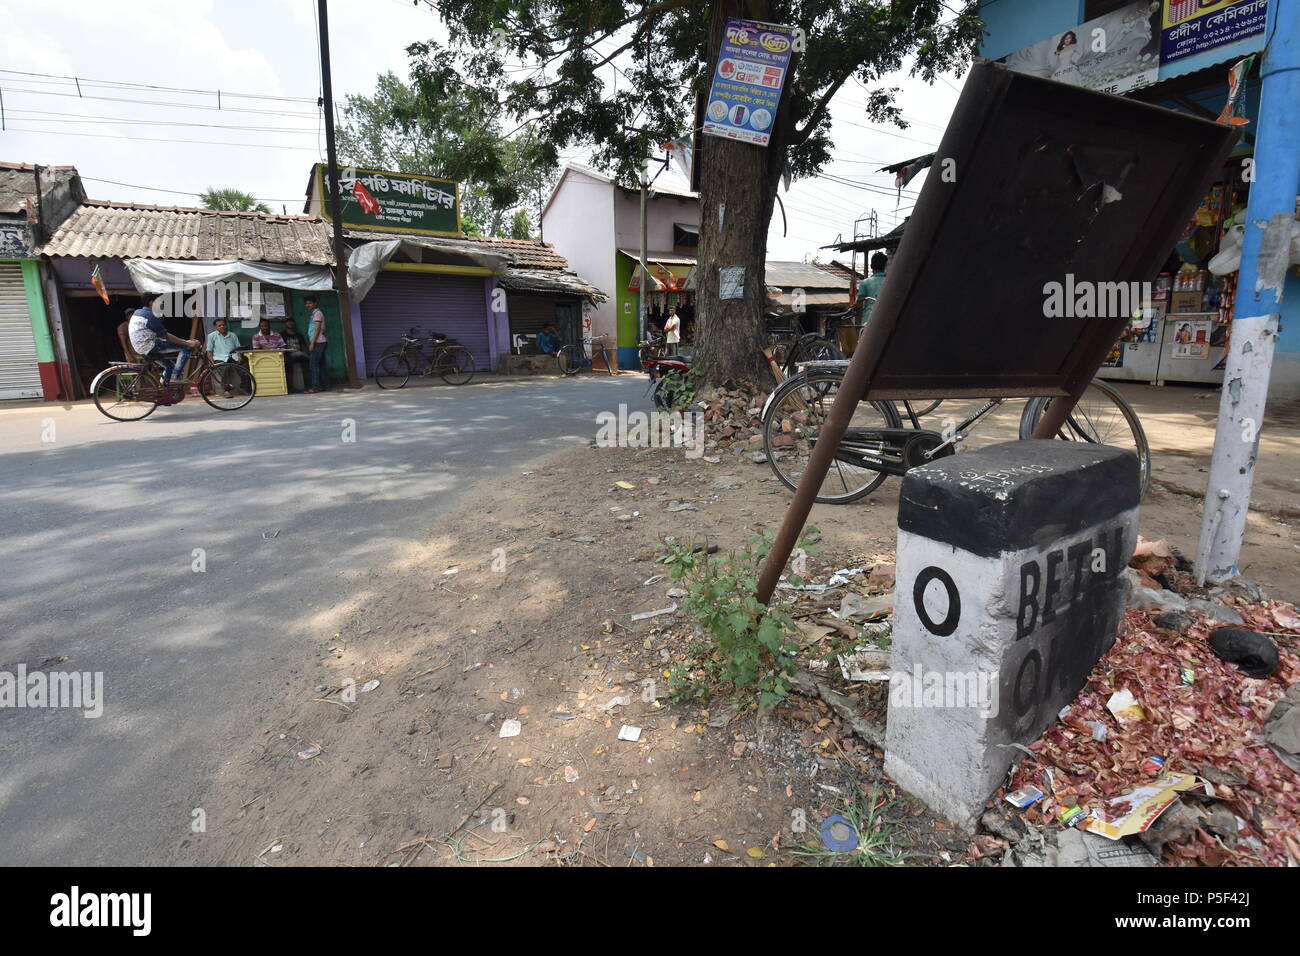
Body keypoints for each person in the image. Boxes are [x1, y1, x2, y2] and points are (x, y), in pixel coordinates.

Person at [128, 294, 199, 384]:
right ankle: (175, 376)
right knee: (186, 347)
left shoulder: (138, 312)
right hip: (151, 345)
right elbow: (166, 336)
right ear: (152, 302)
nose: (162, 303)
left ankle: (163, 390)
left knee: (169, 366)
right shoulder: (149, 315)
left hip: (141, 348)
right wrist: (188, 343)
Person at [305, 296, 329, 392]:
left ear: (315, 303)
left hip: (318, 342)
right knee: (322, 365)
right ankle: (326, 386)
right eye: (306, 303)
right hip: (321, 342)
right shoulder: (314, 313)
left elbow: (317, 328)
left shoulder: (317, 314)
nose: (308, 305)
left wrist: (312, 343)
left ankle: (315, 387)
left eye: (310, 303)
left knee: (313, 365)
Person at [857, 252, 888, 326]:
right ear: (885, 265)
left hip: (867, 322)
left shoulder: (865, 283)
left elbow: (859, 306)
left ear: (871, 266)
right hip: (887, 320)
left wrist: (857, 324)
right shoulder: (891, 281)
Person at [280, 317, 310, 393]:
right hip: (288, 354)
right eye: (288, 322)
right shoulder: (282, 334)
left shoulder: (299, 335)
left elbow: (303, 346)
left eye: (291, 322)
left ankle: (308, 386)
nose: (290, 324)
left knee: (309, 361)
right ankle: (292, 388)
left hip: (300, 354)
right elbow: (281, 347)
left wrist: (305, 353)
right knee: (290, 364)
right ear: (285, 324)